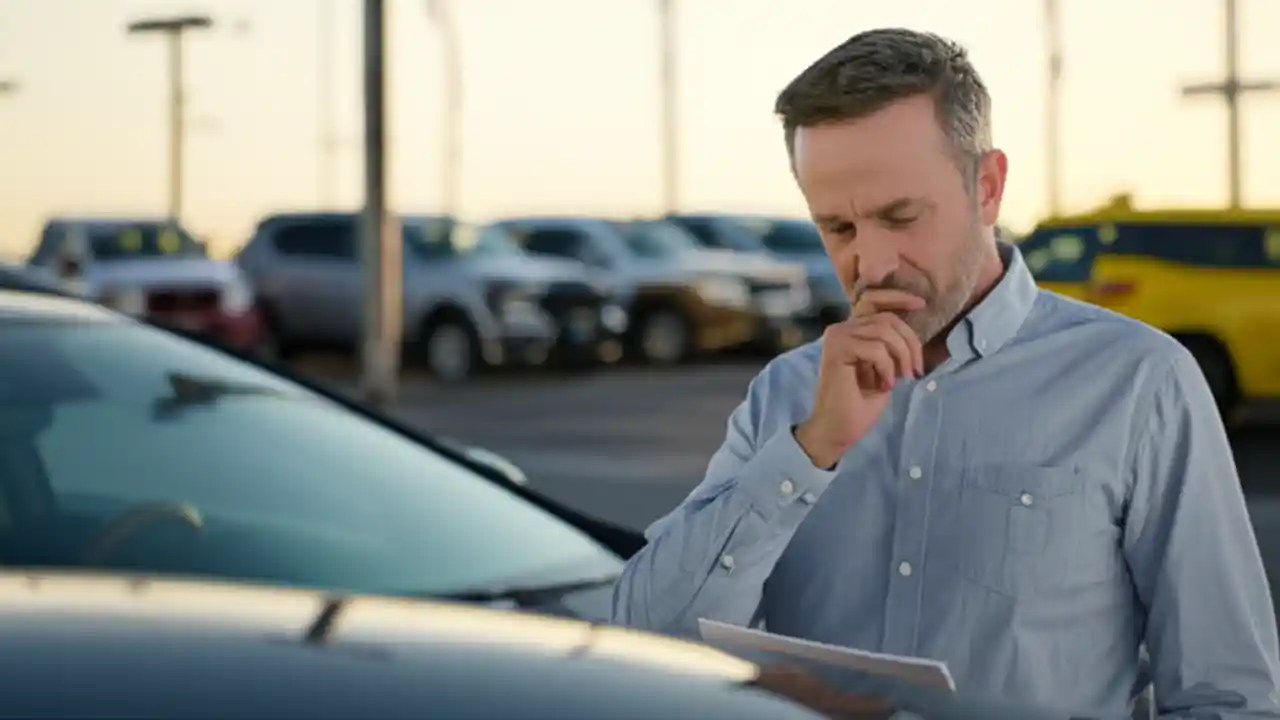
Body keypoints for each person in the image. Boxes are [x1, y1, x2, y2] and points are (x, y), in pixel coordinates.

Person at [611, 27, 1280, 718]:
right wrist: (809, 452)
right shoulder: (785, 397)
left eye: (900, 216)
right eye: (837, 228)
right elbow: (647, 642)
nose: (871, 265)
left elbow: (1227, 696)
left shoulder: (1140, 385)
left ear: (987, 188)